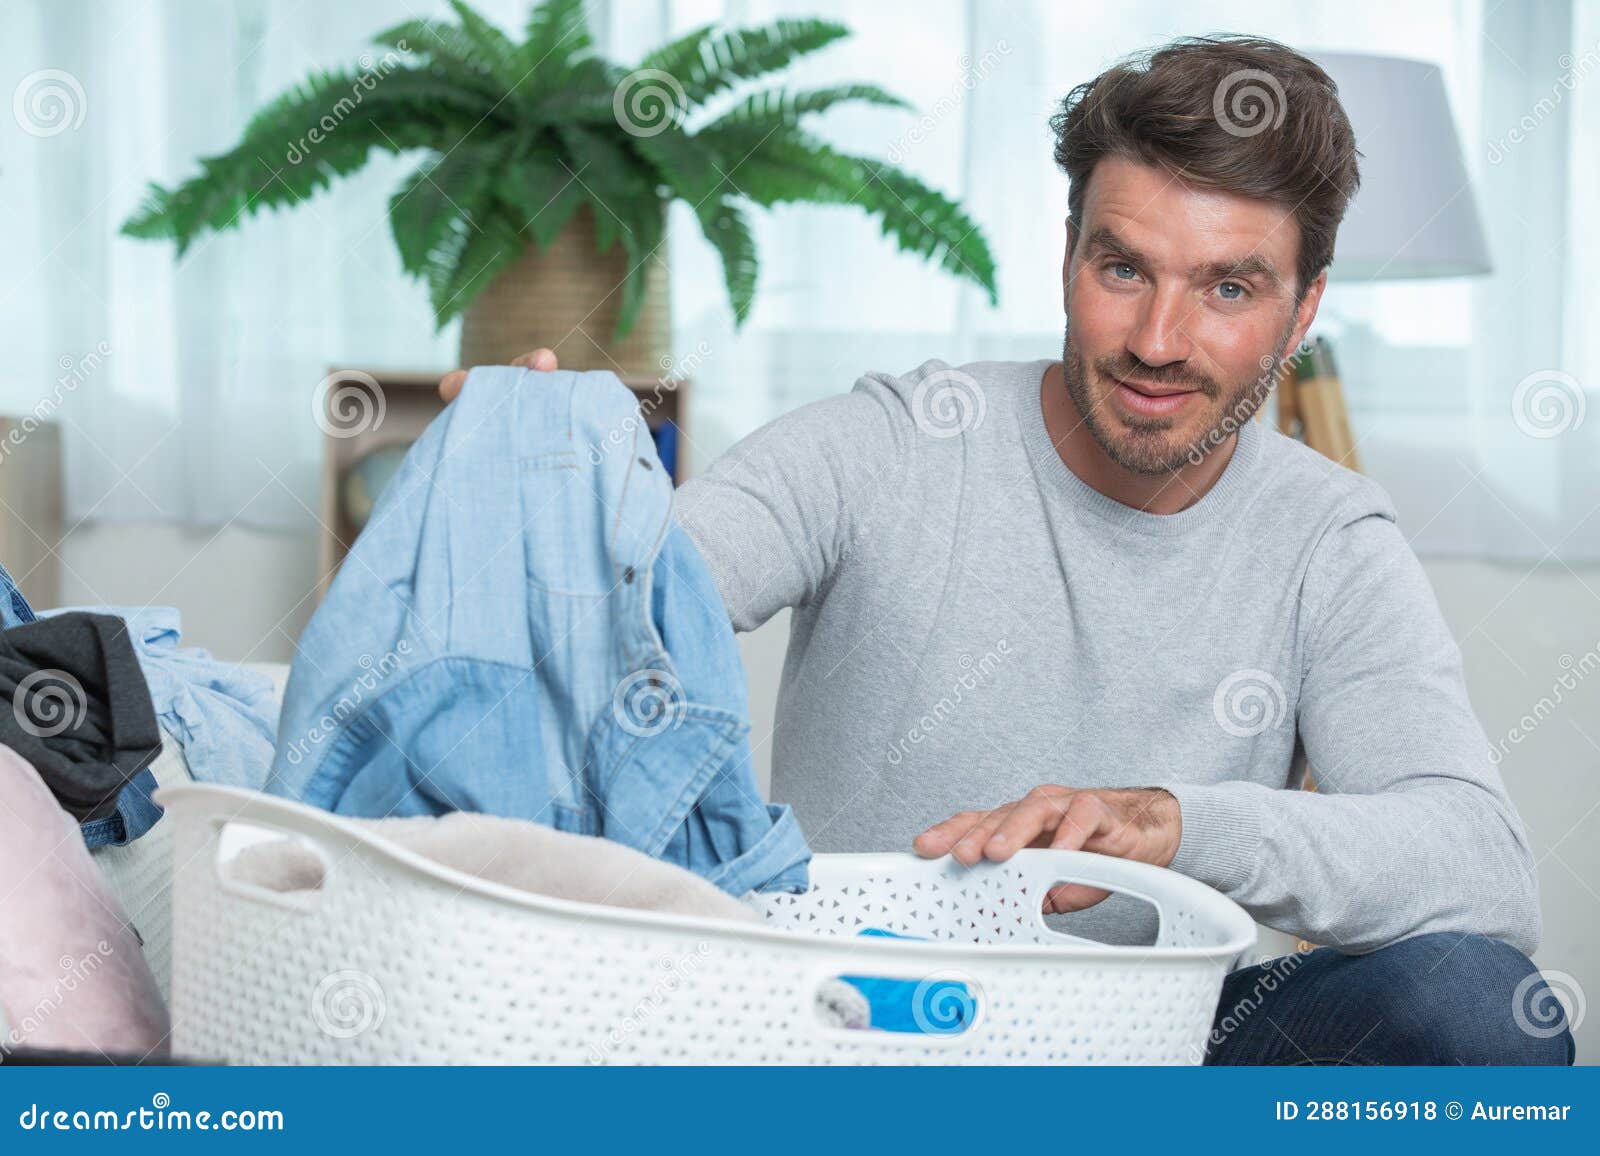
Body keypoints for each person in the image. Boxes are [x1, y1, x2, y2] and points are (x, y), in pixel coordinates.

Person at [440, 36, 1574, 1064]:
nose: (1156, 342)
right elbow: (648, 590)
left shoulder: (1328, 538)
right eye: (1121, 268)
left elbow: (1478, 867)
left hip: (1162, 1052)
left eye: (1227, 288)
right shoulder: (892, 440)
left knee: (1475, 1002)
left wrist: (1168, 823)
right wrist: (550, 516)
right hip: (847, 1026)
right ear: (1069, 252)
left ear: (1303, 307)